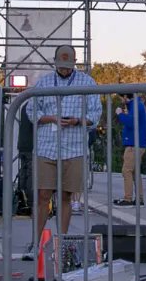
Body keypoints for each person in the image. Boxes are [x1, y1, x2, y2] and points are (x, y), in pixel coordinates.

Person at [27, 45, 102, 244]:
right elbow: (30, 110)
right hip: (47, 146)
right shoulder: (43, 83)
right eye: (61, 66)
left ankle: (63, 242)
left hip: (74, 146)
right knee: (43, 194)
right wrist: (50, 118)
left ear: (74, 63)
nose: (64, 70)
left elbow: (95, 114)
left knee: (65, 196)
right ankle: (35, 242)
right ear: (55, 63)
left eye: (68, 66)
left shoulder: (88, 83)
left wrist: (77, 121)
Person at [114, 92, 146, 206]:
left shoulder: (136, 106)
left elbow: (131, 122)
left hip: (134, 145)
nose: (120, 100)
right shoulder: (136, 105)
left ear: (125, 97)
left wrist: (120, 114)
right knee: (134, 172)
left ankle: (128, 198)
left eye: (120, 97)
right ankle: (139, 199)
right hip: (138, 144)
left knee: (126, 170)